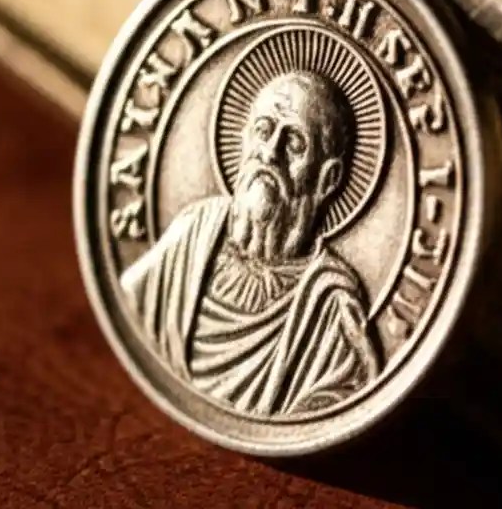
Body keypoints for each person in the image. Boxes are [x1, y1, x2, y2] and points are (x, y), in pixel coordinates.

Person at [121, 70, 380, 416]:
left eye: (294, 143)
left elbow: (339, 406)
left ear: (327, 179)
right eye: (263, 130)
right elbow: (129, 307)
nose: (270, 153)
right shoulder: (194, 233)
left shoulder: (329, 307)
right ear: (244, 140)